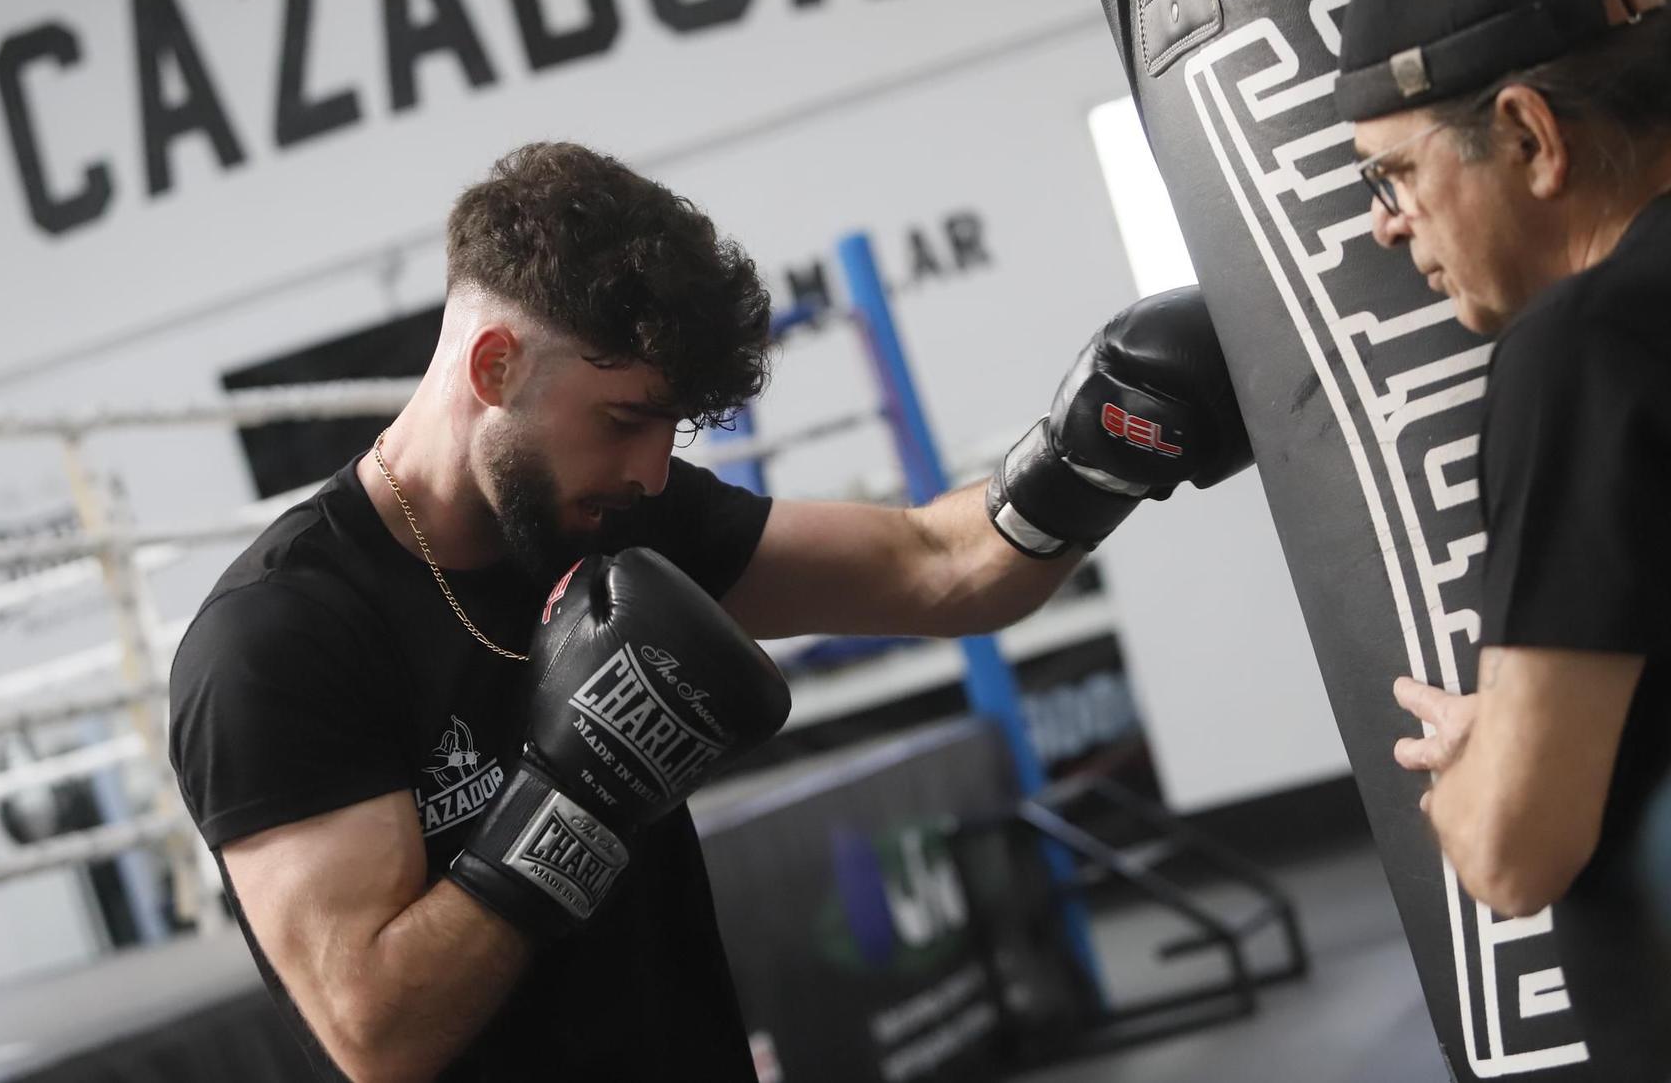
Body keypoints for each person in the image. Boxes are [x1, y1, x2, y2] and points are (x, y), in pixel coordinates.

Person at [168, 140, 1250, 1082]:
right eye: (626, 418)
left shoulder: (609, 513)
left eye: (670, 425)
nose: (651, 467)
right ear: (493, 365)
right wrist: (575, 794)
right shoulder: (280, 637)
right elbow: (376, 1032)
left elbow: (934, 565)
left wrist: (1087, 456)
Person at [1336, 0, 1671, 1015]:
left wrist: (1472, 764)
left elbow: (1508, 848)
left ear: (1528, 135)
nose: (1385, 225)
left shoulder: (1582, 346)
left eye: (1390, 175)